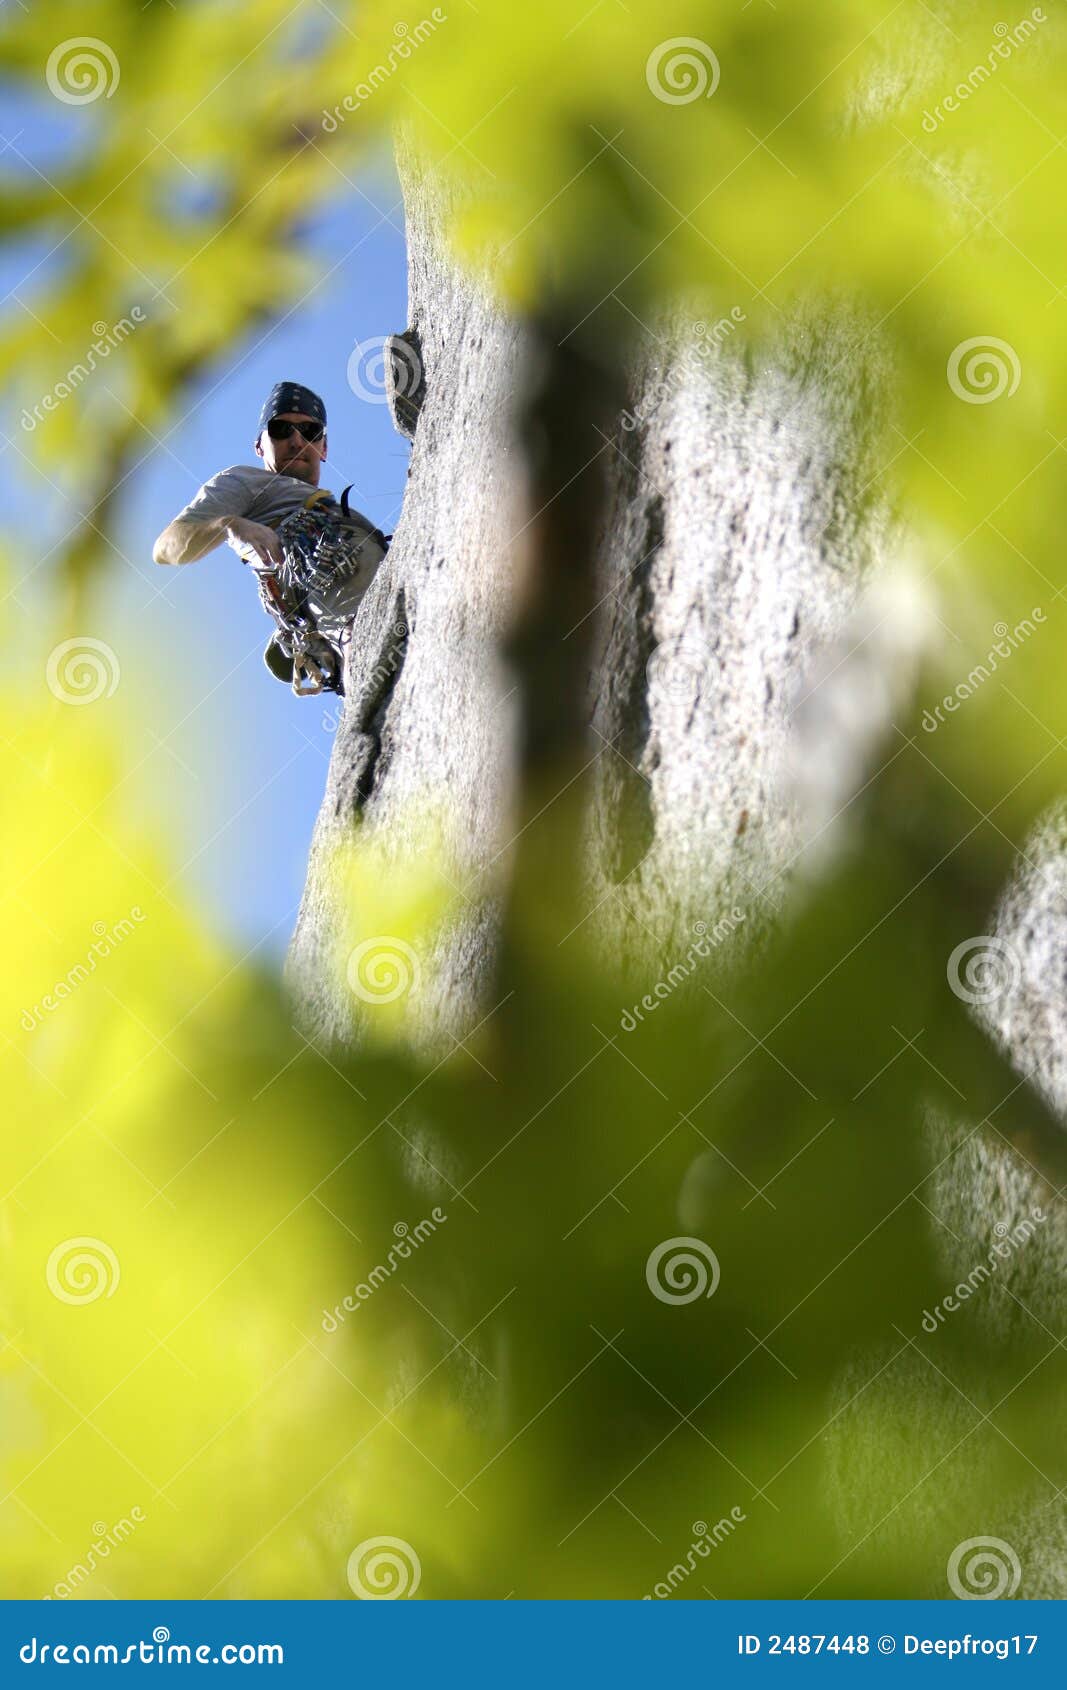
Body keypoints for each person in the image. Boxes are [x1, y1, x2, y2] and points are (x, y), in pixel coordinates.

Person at [153, 381, 388, 694]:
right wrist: (228, 523)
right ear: (260, 446)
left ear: (324, 448)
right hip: (346, 611)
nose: (296, 440)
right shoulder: (243, 481)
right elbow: (166, 548)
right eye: (280, 429)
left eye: (310, 431)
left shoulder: (328, 503)